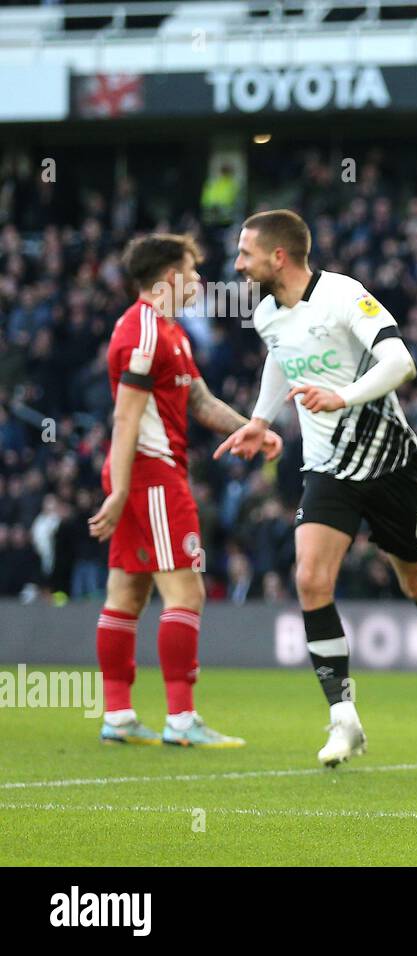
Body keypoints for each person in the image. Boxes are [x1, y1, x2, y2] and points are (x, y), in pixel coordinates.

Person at [215, 209, 417, 767]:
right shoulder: (266, 316)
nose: (238, 264)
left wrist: (344, 396)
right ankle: (344, 718)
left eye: (245, 254)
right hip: (327, 467)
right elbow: (280, 363)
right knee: (310, 579)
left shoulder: (343, 295)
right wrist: (259, 420)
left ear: (278, 257)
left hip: (389, 464)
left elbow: (401, 362)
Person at [90, 233, 278, 748]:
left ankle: (120, 717)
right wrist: (120, 488)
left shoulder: (168, 332)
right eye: (193, 271)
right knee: (187, 591)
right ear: (170, 275)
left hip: (145, 476)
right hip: (150, 475)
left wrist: (252, 428)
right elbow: (126, 417)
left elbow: (199, 400)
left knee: (127, 593)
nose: (199, 280)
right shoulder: (144, 331)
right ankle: (181, 719)